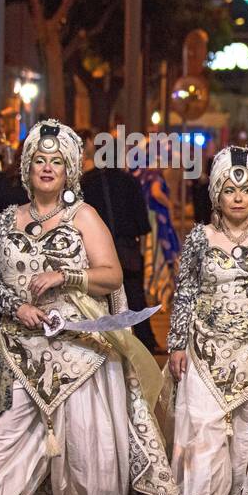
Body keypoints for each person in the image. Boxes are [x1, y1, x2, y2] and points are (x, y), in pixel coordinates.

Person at [0, 120, 178, 495]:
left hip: (80, 350)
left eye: (56, 162)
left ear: (70, 170)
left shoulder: (84, 217)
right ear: (27, 168)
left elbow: (111, 276)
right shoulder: (7, 219)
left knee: (87, 439)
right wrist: (18, 308)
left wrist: (65, 276)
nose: (47, 168)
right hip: (18, 351)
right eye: (39, 161)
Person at [167, 146, 248, 495]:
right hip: (205, 347)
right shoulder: (201, 238)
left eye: (246, 190)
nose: (238, 198)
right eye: (230, 191)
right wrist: (178, 343)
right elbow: (183, 292)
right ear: (216, 194)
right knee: (203, 424)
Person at [81, 137, 158, 352]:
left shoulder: (87, 182)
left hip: (94, 254)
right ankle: (144, 344)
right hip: (126, 251)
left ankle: (103, 343)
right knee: (134, 298)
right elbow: (143, 223)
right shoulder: (129, 182)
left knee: (98, 301)